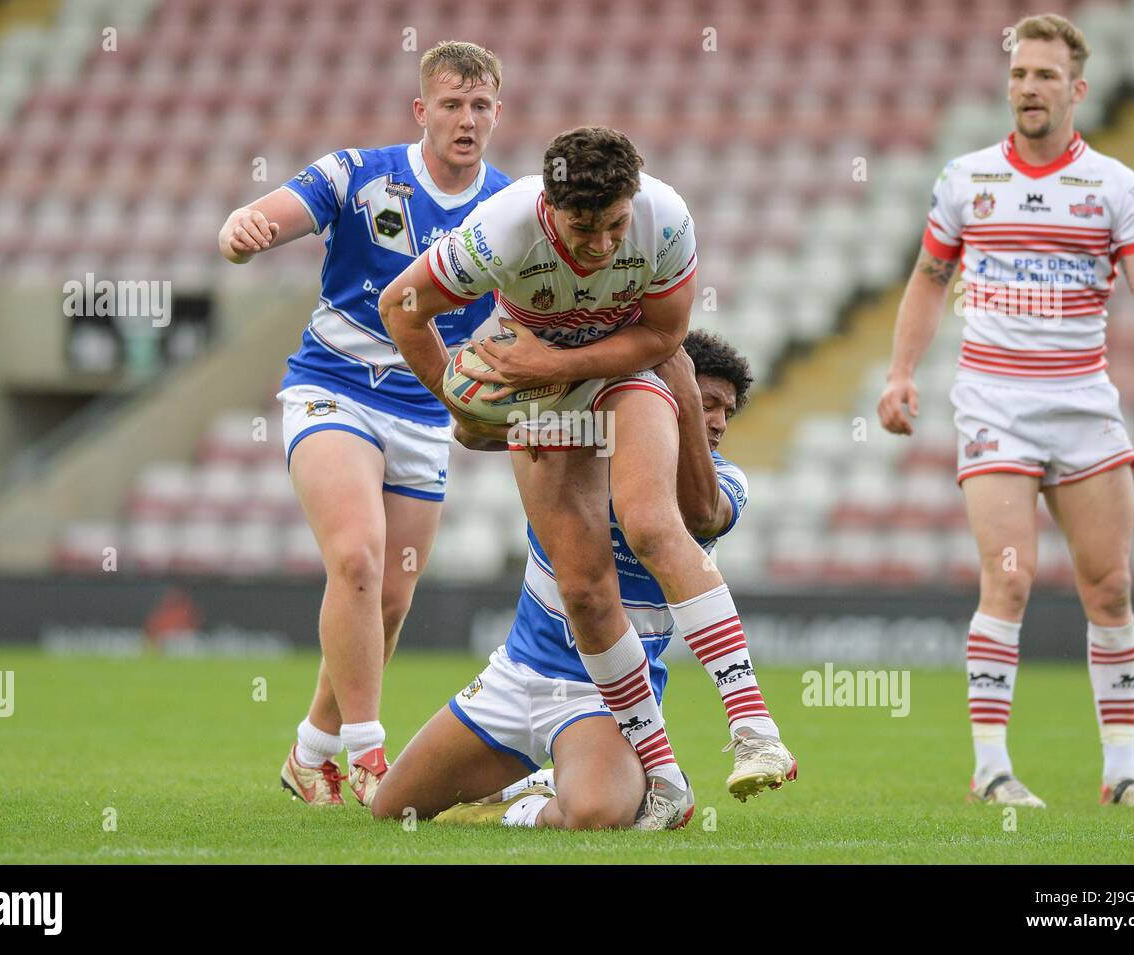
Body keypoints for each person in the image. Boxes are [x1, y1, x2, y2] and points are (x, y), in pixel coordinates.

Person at [380, 127, 794, 829]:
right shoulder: (500, 231)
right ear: (549, 207)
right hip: (537, 403)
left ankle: (754, 728)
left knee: (649, 522)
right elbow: (401, 304)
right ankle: (662, 771)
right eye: (583, 227)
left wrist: (550, 366)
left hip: (622, 378)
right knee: (582, 588)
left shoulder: (666, 218)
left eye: (614, 225)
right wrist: (457, 398)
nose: (602, 245)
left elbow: (664, 339)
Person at [877, 14, 1134, 808]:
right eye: (1020, 73)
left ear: (1077, 90)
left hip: (1084, 407)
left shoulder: (1115, 186)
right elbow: (925, 277)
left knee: (1111, 586)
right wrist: (899, 374)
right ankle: (992, 769)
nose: (1029, 87)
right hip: (994, 405)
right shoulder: (967, 178)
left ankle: (1121, 771)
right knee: (1009, 580)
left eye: (1046, 75)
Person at [217, 41, 512, 807]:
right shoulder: (356, 172)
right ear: (422, 111)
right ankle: (368, 751)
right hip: (334, 390)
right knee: (355, 558)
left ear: (497, 115)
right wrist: (242, 228)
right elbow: (267, 216)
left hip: (425, 409)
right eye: (452, 104)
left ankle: (309, 749)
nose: (467, 120)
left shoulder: (513, 209)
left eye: (481, 106)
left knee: (385, 601)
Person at [370, 331, 791, 828]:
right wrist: (504, 390)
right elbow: (471, 433)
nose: (720, 422)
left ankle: (523, 807)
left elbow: (702, 515)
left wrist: (684, 392)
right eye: (710, 402)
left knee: (594, 813)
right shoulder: (583, 439)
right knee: (393, 809)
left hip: (606, 697)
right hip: (516, 674)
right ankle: (536, 783)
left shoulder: (726, 480)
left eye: (729, 411)